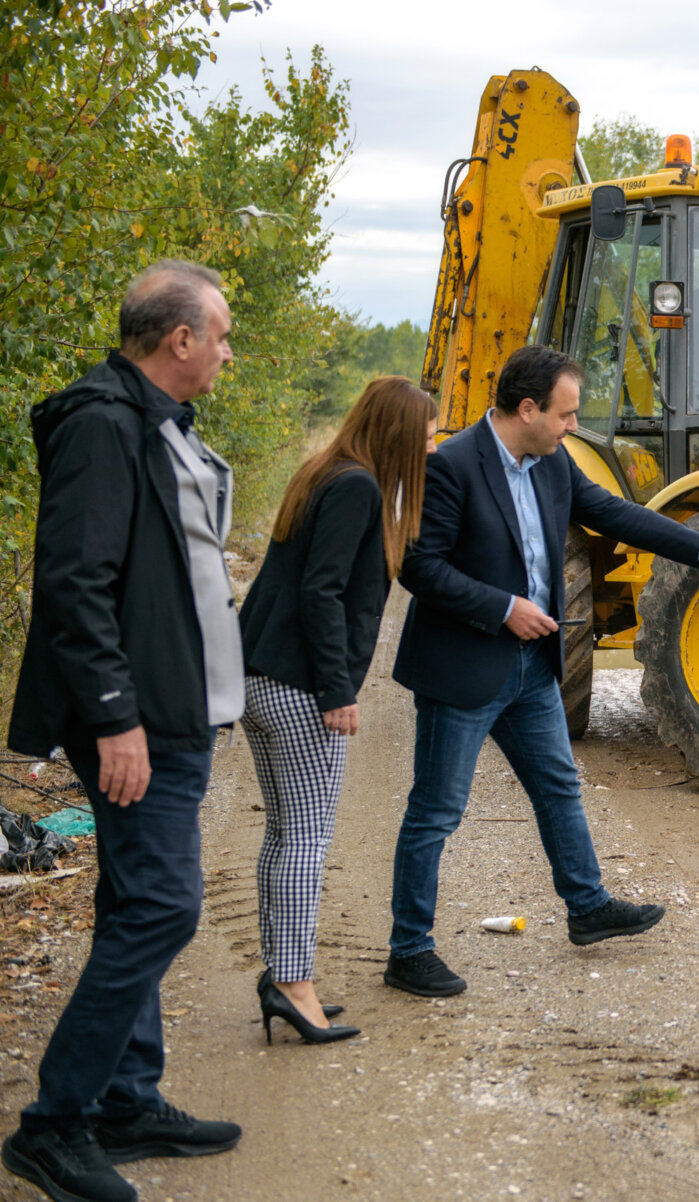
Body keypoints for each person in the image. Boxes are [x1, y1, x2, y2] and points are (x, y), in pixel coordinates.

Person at [383, 344, 699, 997]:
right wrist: (504, 607)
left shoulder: (552, 461)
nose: (571, 426)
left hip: (532, 669)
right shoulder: (451, 466)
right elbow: (419, 568)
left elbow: (614, 513)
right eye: (564, 414)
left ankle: (587, 908)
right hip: (463, 669)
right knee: (436, 811)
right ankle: (408, 949)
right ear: (527, 408)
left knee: (560, 787)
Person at [4, 260, 244, 1202]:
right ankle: (54, 1123)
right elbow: (74, 585)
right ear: (177, 339)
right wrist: (116, 722)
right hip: (139, 721)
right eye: (219, 334)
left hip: (176, 709)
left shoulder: (153, 423)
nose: (227, 351)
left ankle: (125, 1100)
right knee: (162, 908)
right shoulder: (104, 426)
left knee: (129, 903)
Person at [237, 377, 439, 1044]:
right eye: (427, 434)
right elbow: (322, 592)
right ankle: (295, 986)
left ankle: (283, 977)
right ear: (399, 435)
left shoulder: (322, 472)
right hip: (300, 689)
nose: (432, 445)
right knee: (305, 839)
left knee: (283, 835)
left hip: (261, 678)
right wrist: (338, 691)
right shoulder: (358, 487)